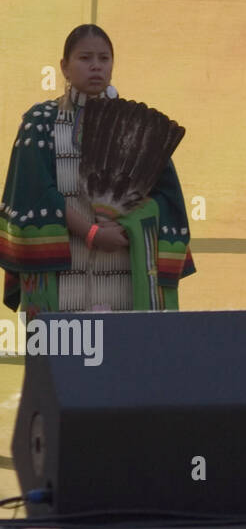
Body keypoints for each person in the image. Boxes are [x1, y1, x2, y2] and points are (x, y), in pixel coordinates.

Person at [0, 25, 195, 314]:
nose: (96, 66)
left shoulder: (137, 126)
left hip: (126, 276)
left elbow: (168, 203)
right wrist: (92, 234)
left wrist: (127, 226)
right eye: (85, 58)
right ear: (64, 67)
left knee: (124, 356)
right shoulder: (40, 122)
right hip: (61, 279)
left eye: (104, 59)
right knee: (63, 355)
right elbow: (34, 196)